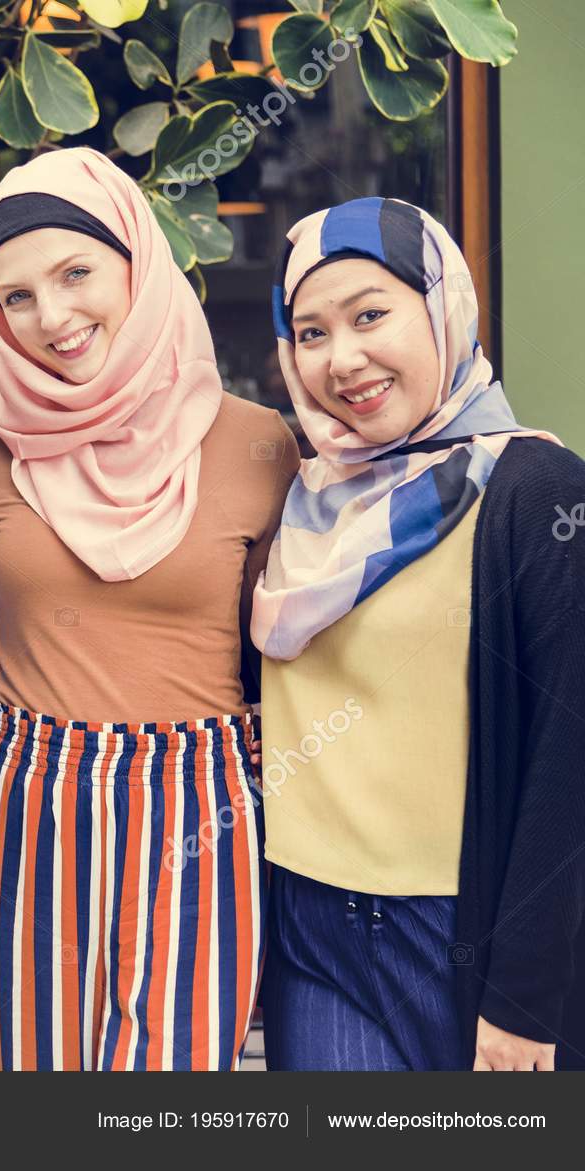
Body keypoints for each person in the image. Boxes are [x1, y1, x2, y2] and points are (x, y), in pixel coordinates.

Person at [0, 147, 297, 1070]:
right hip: (32, 798)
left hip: (206, 802)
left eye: (76, 273)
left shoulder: (258, 442)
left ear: (137, 264)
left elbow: (298, 643)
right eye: (16, 296)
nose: (52, 317)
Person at [254, 196, 585, 1072]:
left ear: (442, 309)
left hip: (462, 937)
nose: (342, 358)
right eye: (312, 332)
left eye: (370, 314)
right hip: (311, 930)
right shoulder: (301, 502)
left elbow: (569, 761)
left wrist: (524, 998)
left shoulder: (539, 489)